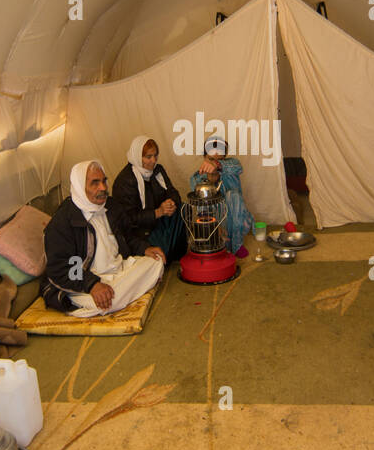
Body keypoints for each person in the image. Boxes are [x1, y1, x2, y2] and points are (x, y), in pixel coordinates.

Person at [43, 160, 165, 316]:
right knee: (107, 301)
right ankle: (109, 297)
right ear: (80, 186)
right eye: (95, 183)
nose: (103, 188)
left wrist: (144, 248)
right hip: (87, 281)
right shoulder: (64, 221)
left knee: (156, 261)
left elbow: (129, 236)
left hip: (119, 271)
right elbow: (61, 267)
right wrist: (92, 285)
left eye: (104, 181)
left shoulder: (111, 206)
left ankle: (115, 295)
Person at [110, 135, 187, 262]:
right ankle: (161, 254)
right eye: (148, 157)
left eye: (155, 155)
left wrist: (170, 203)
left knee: (183, 208)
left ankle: (175, 256)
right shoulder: (124, 181)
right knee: (159, 254)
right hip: (140, 232)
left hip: (158, 222)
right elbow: (128, 219)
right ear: (137, 156)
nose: (153, 160)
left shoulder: (157, 170)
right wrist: (157, 212)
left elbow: (173, 192)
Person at [189, 136, 252, 259]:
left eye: (219, 160)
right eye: (210, 159)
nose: (213, 163)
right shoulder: (196, 179)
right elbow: (201, 207)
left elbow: (238, 166)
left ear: (224, 159)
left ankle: (237, 245)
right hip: (214, 225)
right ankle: (222, 245)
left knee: (233, 195)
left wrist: (217, 165)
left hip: (236, 221)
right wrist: (213, 227)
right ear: (204, 158)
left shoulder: (231, 168)